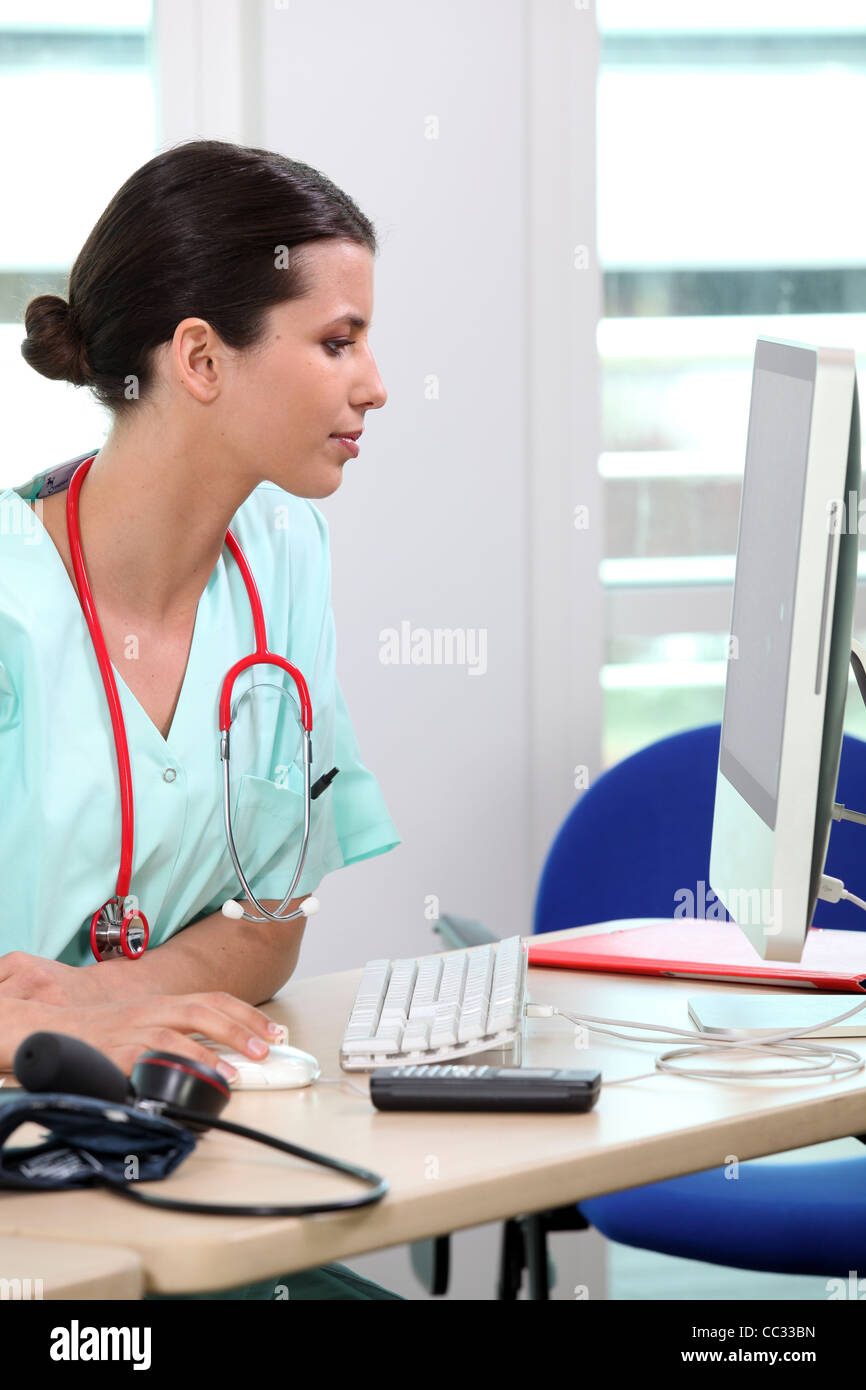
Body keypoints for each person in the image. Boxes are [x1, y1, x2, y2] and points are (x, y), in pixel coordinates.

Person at [1, 138, 403, 1301]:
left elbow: (271, 921)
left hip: (174, 1153)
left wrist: (92, 999)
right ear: (198, 358)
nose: (372, 383)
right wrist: (57, 1039)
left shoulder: (285, 558)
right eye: (336, 342)